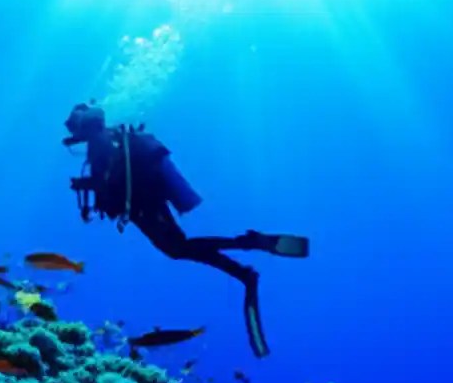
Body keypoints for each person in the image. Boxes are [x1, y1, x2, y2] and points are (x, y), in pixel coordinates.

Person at [63, 101, 309, 357]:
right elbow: (112, 178)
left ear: (82, 124)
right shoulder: (108, 139)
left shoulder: (100, 142)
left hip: (143, 204)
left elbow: (111, 180)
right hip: (141, 204)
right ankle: (243, 270)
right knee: (178, 248)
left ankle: (251, 247)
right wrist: (87, 185)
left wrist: (86, 185)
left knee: (178, 247)